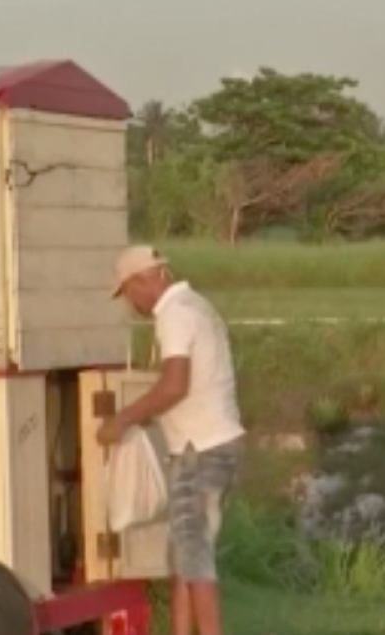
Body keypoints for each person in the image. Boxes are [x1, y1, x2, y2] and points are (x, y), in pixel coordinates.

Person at [96, 244, 245, 635]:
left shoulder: (173, 315)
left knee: (194, 556)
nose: (130, 303)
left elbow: (174, 385)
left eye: (128, 292)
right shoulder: (198, 305)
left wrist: (124, 419)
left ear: (144, 280)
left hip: (201, 449)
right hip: (216, 441)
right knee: (182, 555)